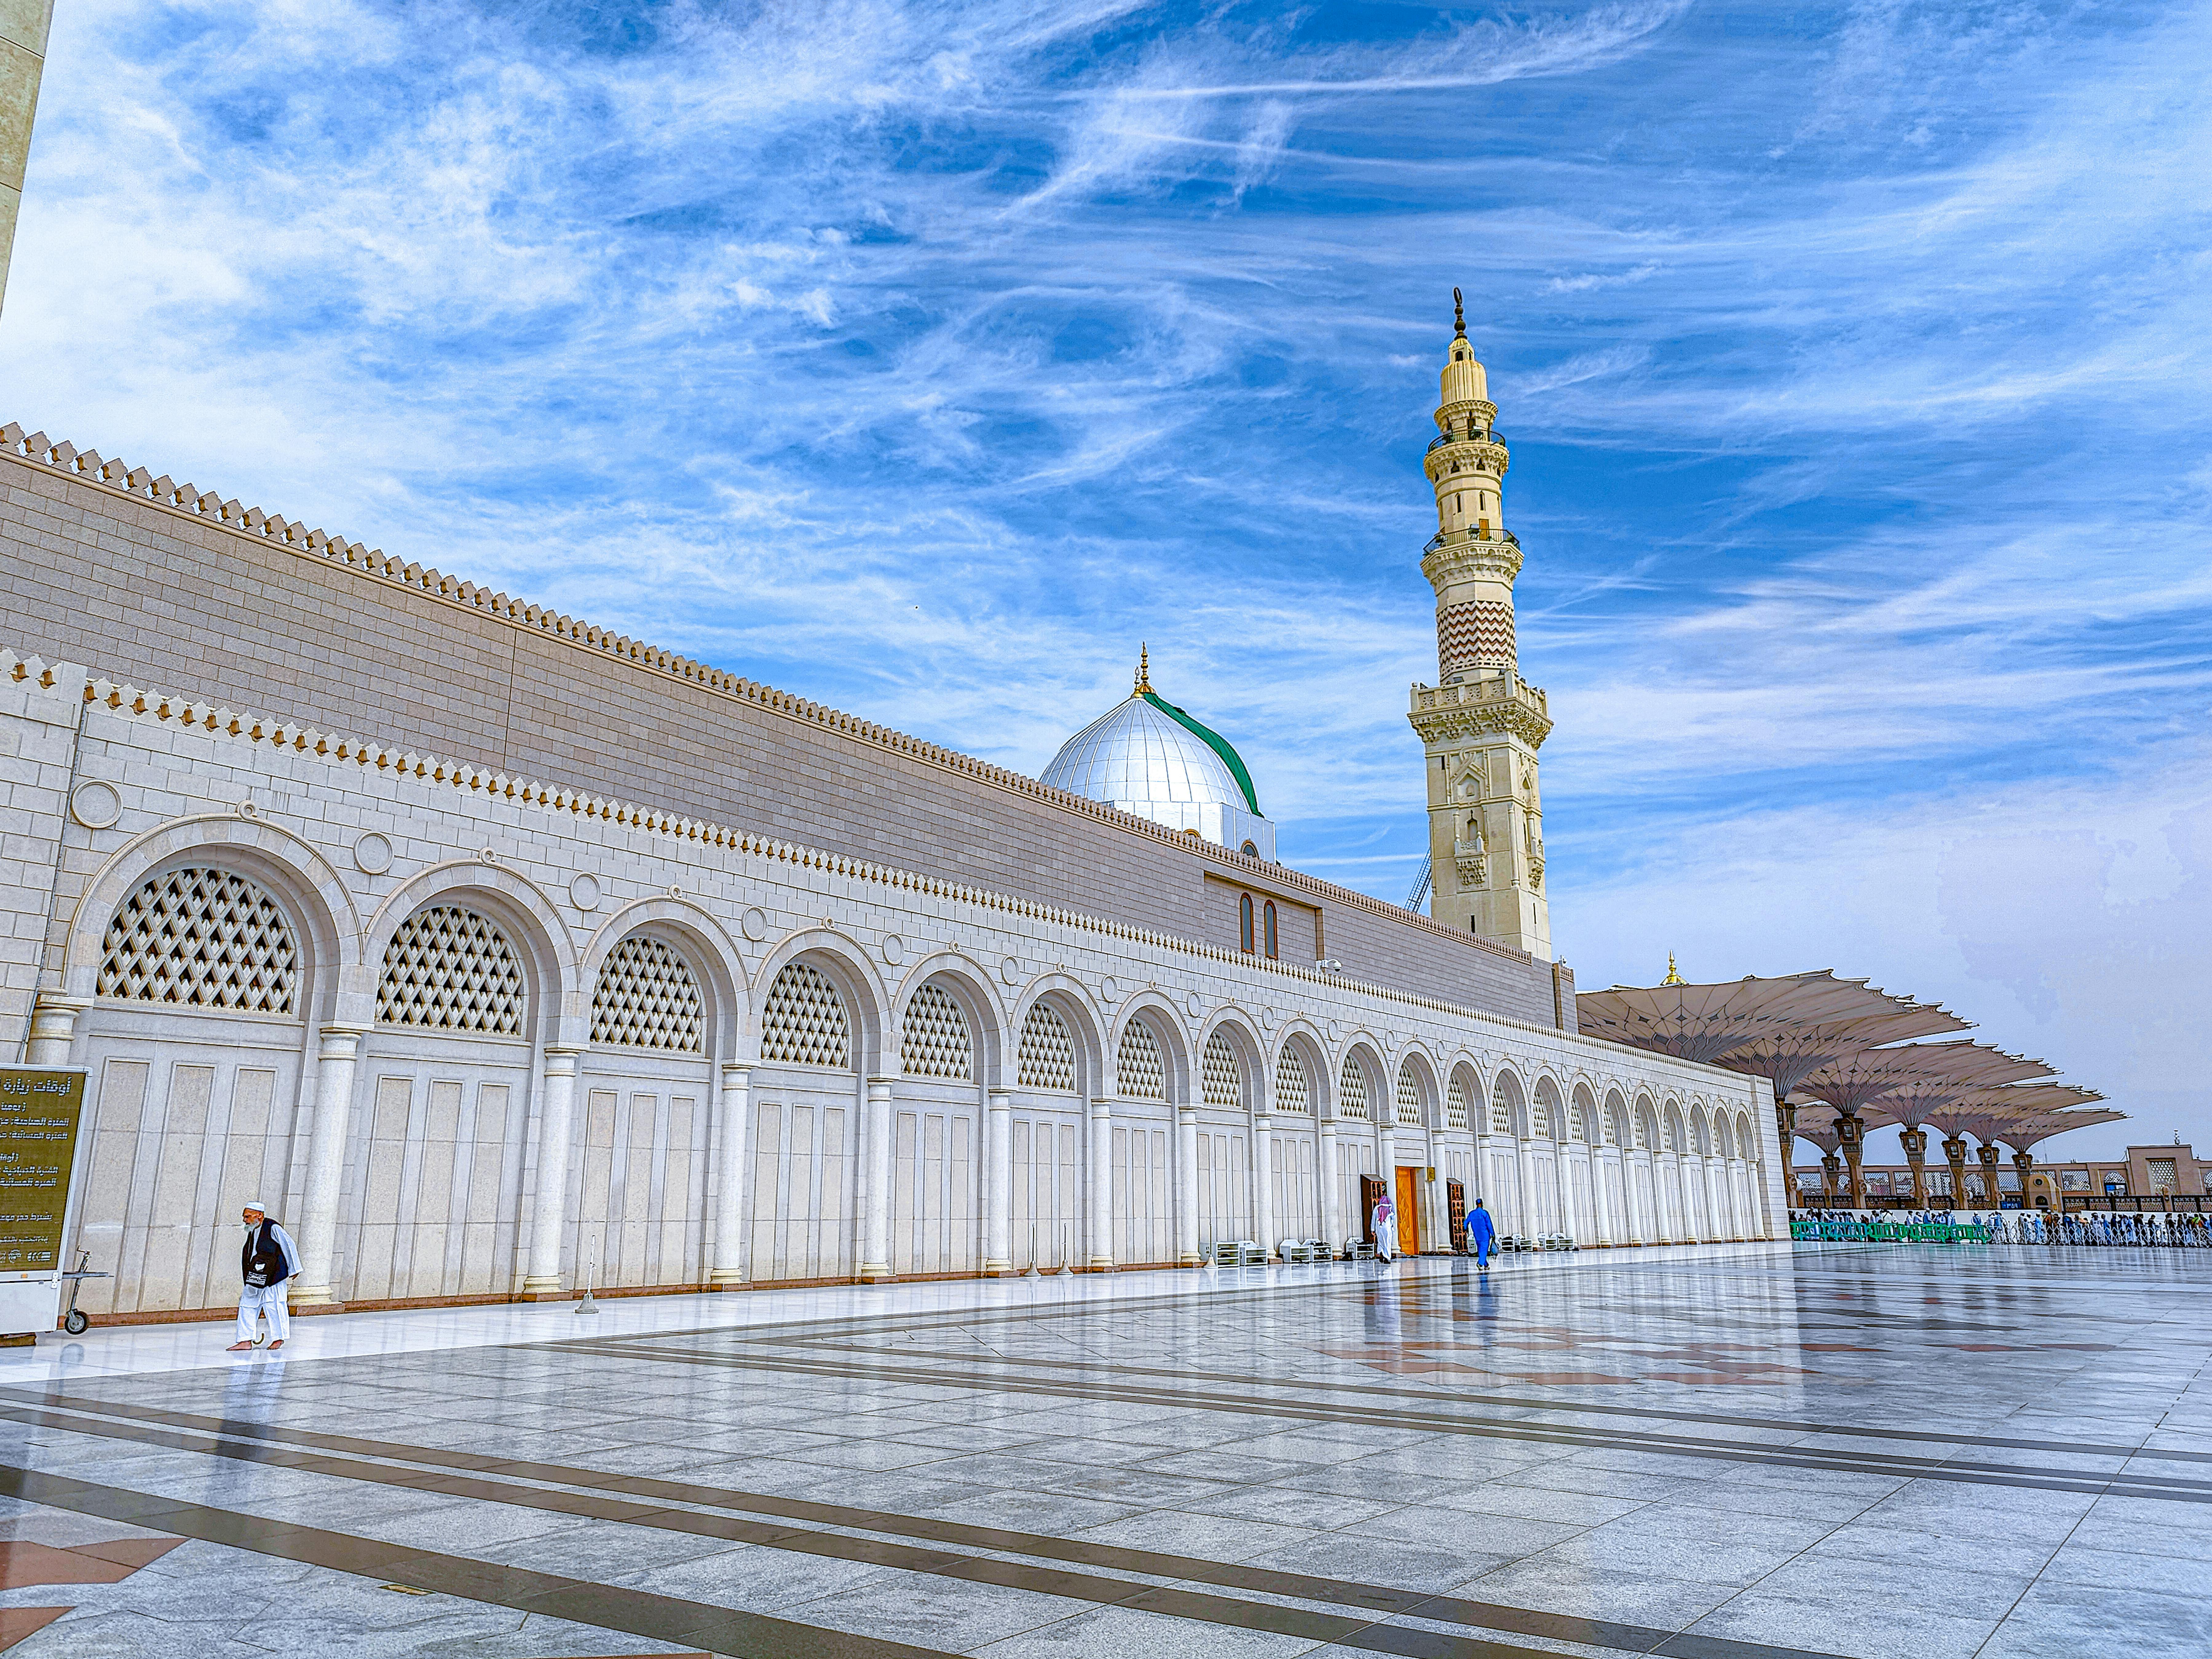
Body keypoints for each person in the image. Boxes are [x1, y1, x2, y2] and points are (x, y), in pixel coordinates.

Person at [228, 1203, 300, 1353]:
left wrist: (294, 1269)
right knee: (247, 1305)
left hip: (274, 1276)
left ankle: (278, 1339)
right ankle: (245, 1340)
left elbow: (289, 1245)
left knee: (274, 1305)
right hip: (256, 1277)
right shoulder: (253, 1230)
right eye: (244, 1217)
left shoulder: (272, 1227)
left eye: (248, 1217)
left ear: (259, 1215)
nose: (245, 1220)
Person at [1466, 1197, 1496, 1270]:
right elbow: (1489, 1224)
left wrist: (1465, 1229)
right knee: (1484, 1250)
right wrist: (1493, 1234)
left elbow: (1466, 1222)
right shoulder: (1484, 1213)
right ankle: (1480, 1263)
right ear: (1482, 1204)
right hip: (1485, 1235)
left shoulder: (1472, 1214)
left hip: (1477, 1235)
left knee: (1481, 1250)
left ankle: (1486, 1265)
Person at [1371, 1187, 1396, 1262]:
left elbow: (1374, 1219)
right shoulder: (1390, 1209)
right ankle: (1387, 1257)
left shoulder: (1377, 1208)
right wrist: (1393, 1227)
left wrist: (1373, 1230)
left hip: (1379, 1228)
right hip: (1387, 1228)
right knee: (1388, 1242)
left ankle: (1382, 1253)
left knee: (1381, 1241)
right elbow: (1393, 1219)